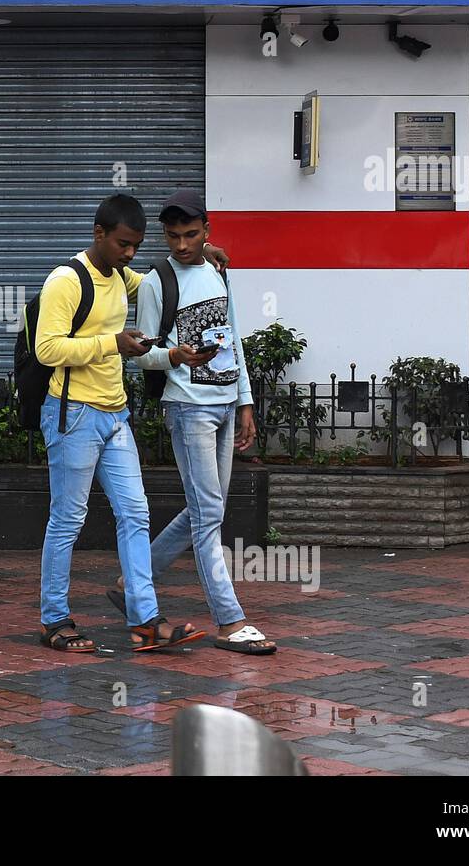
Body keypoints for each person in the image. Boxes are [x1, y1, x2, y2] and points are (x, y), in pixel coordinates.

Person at [35, 193, 210, 653]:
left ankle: (145, 620)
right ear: (99, 234)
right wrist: (111, 343)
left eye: (136, 245)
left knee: (135, 513)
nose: (130, 253)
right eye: (123, 244)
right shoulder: (66, 281)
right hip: (72, 414)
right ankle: (55, 620)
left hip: (115, 415)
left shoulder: (121, 275)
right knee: (68, 520)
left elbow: (157, 283)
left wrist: (199, 255)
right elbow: (47, 350)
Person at [127, 190, 276, 654]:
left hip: (226, 404)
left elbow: (235, 341)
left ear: (207, 232)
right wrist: (173, 354)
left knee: (203, 509)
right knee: (209, 514)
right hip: (187, 406)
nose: (182, 244)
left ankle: (138, 575)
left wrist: (245, 402)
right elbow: (144, 355)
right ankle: (230, 621)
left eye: (191, 235)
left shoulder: (218, 272)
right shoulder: (157, 282)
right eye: (173, 236)